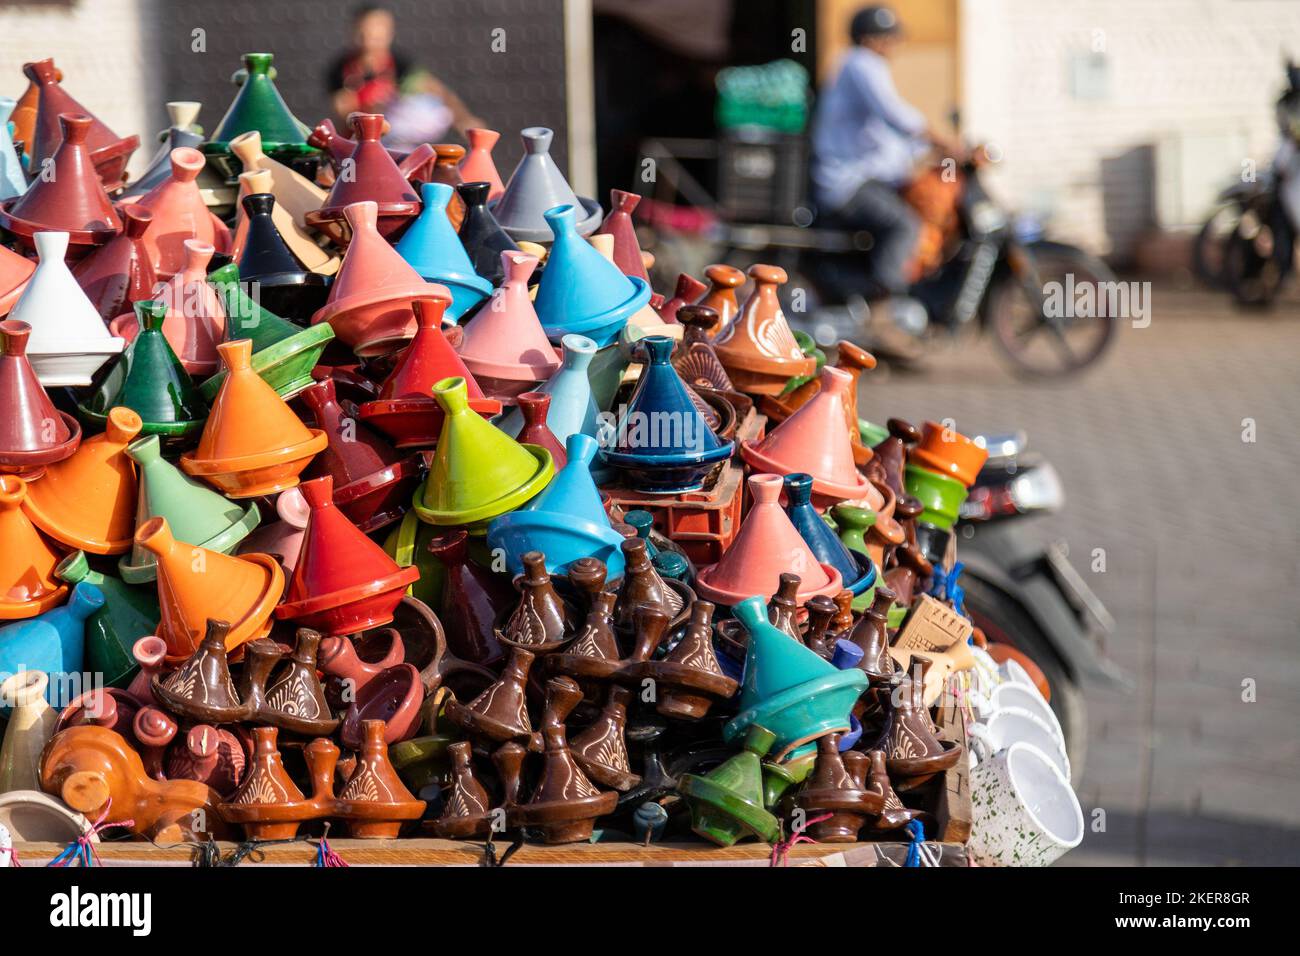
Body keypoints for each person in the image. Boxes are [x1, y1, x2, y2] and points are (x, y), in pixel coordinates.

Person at [810, 5, 959, 358]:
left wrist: (923, 151)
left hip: (861, 176)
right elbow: (893, 114)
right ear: (870, 38)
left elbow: (885, 138)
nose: (894, 44)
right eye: (889, 36)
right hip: (845, 183)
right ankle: (882, 309)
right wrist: (939, 139)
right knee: (905, 224)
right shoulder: (861, 63)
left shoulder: (858, 67)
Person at [326, 5, 484, 144]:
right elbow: (344, 113)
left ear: (389, 32)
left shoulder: (400, 65)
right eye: (365, 28)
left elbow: (435, 89)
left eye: (378, 28)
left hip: (394, 142)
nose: (370, 34)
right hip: (359, 143)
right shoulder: (342, 69)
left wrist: (464, 120)